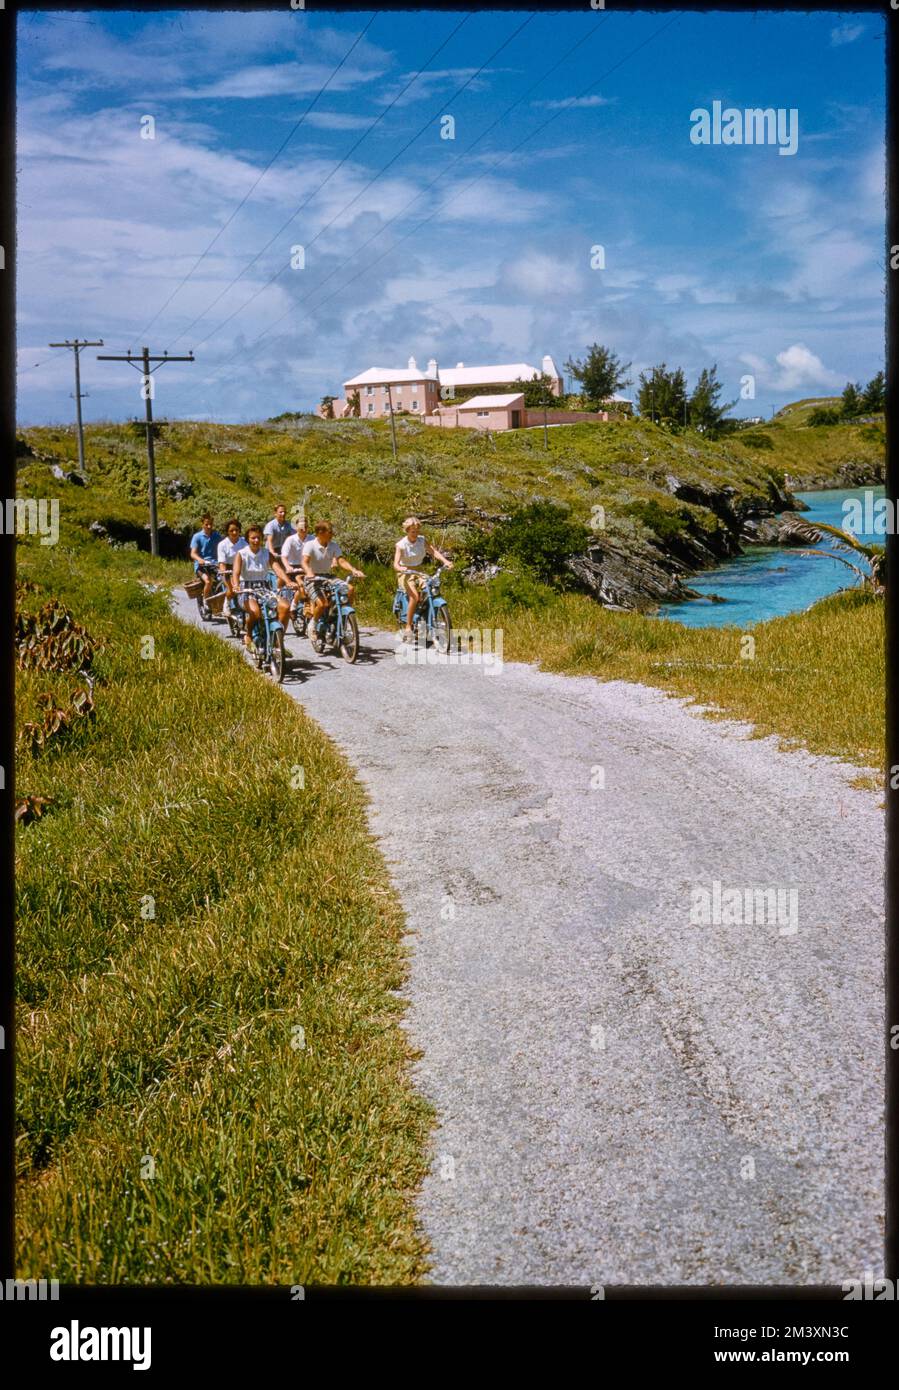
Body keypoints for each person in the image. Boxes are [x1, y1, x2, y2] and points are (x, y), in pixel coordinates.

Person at [232, 524, 291, 651]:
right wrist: (236, 585)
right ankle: (248, 635)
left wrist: (288, 581)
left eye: (258, 538)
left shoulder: (266, 553)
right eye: (253, 538)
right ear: (248, 539)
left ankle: (278, 639)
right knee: (255, 612)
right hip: (246, 588)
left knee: (285, 607)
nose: (256, 540)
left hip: (264, 588)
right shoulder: (241, 554)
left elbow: (277, 569)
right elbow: (236, 573)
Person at [393, 516, 453, 640]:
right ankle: (408, 627)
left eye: (417, 531)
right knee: (414, 596)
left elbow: (433, 551)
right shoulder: (401, 545)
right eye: (413, 531)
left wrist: (445, 561)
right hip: (405, 573)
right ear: (407, 531)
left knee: (432, 590)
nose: (415, 534)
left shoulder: (421, 540)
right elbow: (395, 564)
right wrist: (401, 568)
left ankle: (428, 620)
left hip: (419, 571)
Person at [301, 520, 365, 634]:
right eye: (329, 533)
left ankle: (341, 616)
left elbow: (341, 560)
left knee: (350, 589)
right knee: (322, 604)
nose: (331, 535)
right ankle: (313, 623)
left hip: (328, 577)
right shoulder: (310, 545)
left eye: (331, 532)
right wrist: (309, 572)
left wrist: (353, 570)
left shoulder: (333, 545)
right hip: (313, 579)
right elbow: (304, 562)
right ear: (320, 533)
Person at [279, 516, 309, 619]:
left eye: (306, 527)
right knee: (298, 586)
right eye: (301, 528)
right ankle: (293, 605)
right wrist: (287, 566)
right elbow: (284, 556)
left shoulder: (312, 539)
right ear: (296, 528)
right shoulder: (290, 540)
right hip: (292, 567)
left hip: (307, 567)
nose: (304, 530)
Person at [217, 518, 247, 618]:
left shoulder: (244, 543)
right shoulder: (222, 545)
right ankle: (226, 604)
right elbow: (222, 562)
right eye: (231, 531)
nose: (234, 533)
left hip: (242, 570)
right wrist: (223, 570)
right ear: (227, 532)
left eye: (236, 530)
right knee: (232, 588)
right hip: (228, 570)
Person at [189, 513, 222, 600]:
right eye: (206, 524)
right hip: (201, 566)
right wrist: (199, 559)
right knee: (208, 581)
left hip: (214, 564)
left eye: (210, 524)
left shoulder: (217, 536)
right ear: (202, 524)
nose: (209, 526)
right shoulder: (197, 537)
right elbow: (193, 553)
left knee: (223, 580)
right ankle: (206, 601)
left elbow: (223, 547)